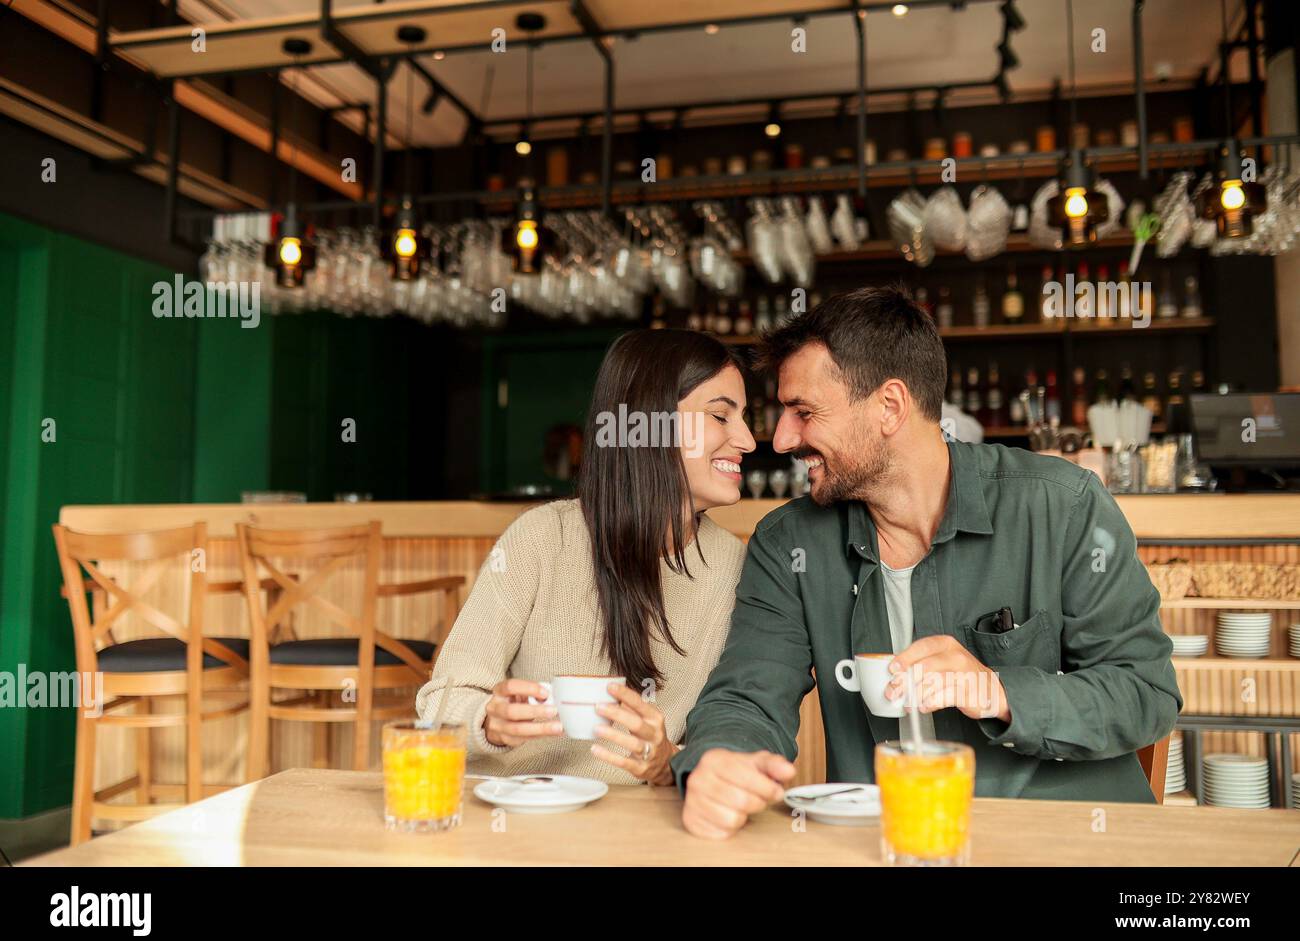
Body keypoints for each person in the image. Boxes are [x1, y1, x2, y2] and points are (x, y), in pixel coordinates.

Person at [672, 286, 1182, 839]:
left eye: (804, 412)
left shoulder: (1063, 505)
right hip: (890, 843)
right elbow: (748, 696)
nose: (781, 437)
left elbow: (1145, 693)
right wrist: (716, 761)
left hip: (1066, 839)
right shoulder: (788, 542)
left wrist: (997, 691)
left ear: (890, 406)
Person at [416, 329, 755, 785]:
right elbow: (440, 701)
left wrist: (670, 763)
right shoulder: (541, 539)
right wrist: (486, 720)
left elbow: (732, 732)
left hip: (637, 836)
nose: (749, 440)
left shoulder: (733, 566)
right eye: (721, 416)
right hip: (517, 821)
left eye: (745, 418)